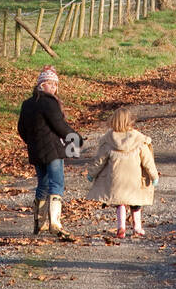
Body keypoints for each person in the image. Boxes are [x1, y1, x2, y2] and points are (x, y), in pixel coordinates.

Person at [17, 65, 81, 237]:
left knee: (43, 185)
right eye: (49, 84)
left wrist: (32, 142)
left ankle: (39, 223)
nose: (53, 87)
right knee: (56, 184)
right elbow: (60, 126)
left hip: (36, 151)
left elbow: (21, 129)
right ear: (40, 85)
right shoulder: (49, 102)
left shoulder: (27, 104)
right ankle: (55, 223)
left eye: (55, 85)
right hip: (52, 150)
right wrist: (75, 138)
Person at [87, 107, 158, 239]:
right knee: (135, 203)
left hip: (116, 178)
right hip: (134, 179)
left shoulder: (108, 140)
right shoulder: (139, 139)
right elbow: (148, 161)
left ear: (113, 121)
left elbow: (99, 161)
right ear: (130, 121)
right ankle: (137, 227)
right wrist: (154, 176)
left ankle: (121, 227)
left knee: (120, 202)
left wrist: (92, 174)